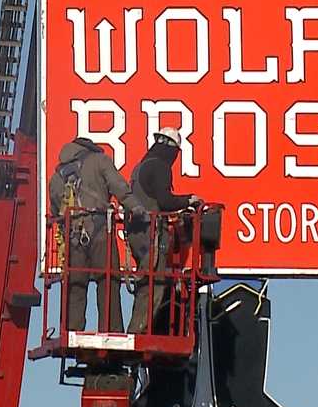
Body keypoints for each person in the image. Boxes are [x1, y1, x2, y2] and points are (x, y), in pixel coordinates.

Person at [48, 136, 134, 332]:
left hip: (73, 237)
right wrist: (137, 210)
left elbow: (55, 210)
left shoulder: (57, 175)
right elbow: (120, 188)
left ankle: (71, 328)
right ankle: (111, 329)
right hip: (100, 231)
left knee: (75, 283)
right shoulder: (100, 161)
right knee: (108, 280)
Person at [125, 127, 202, 334]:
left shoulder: (141, 166)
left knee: (145, 282)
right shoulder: (159, 167)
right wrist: (189, 200)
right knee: (155, 283)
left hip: (136, 232)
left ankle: (136, 329)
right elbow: (165, 200)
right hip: (150, 233)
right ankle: (137, 332)